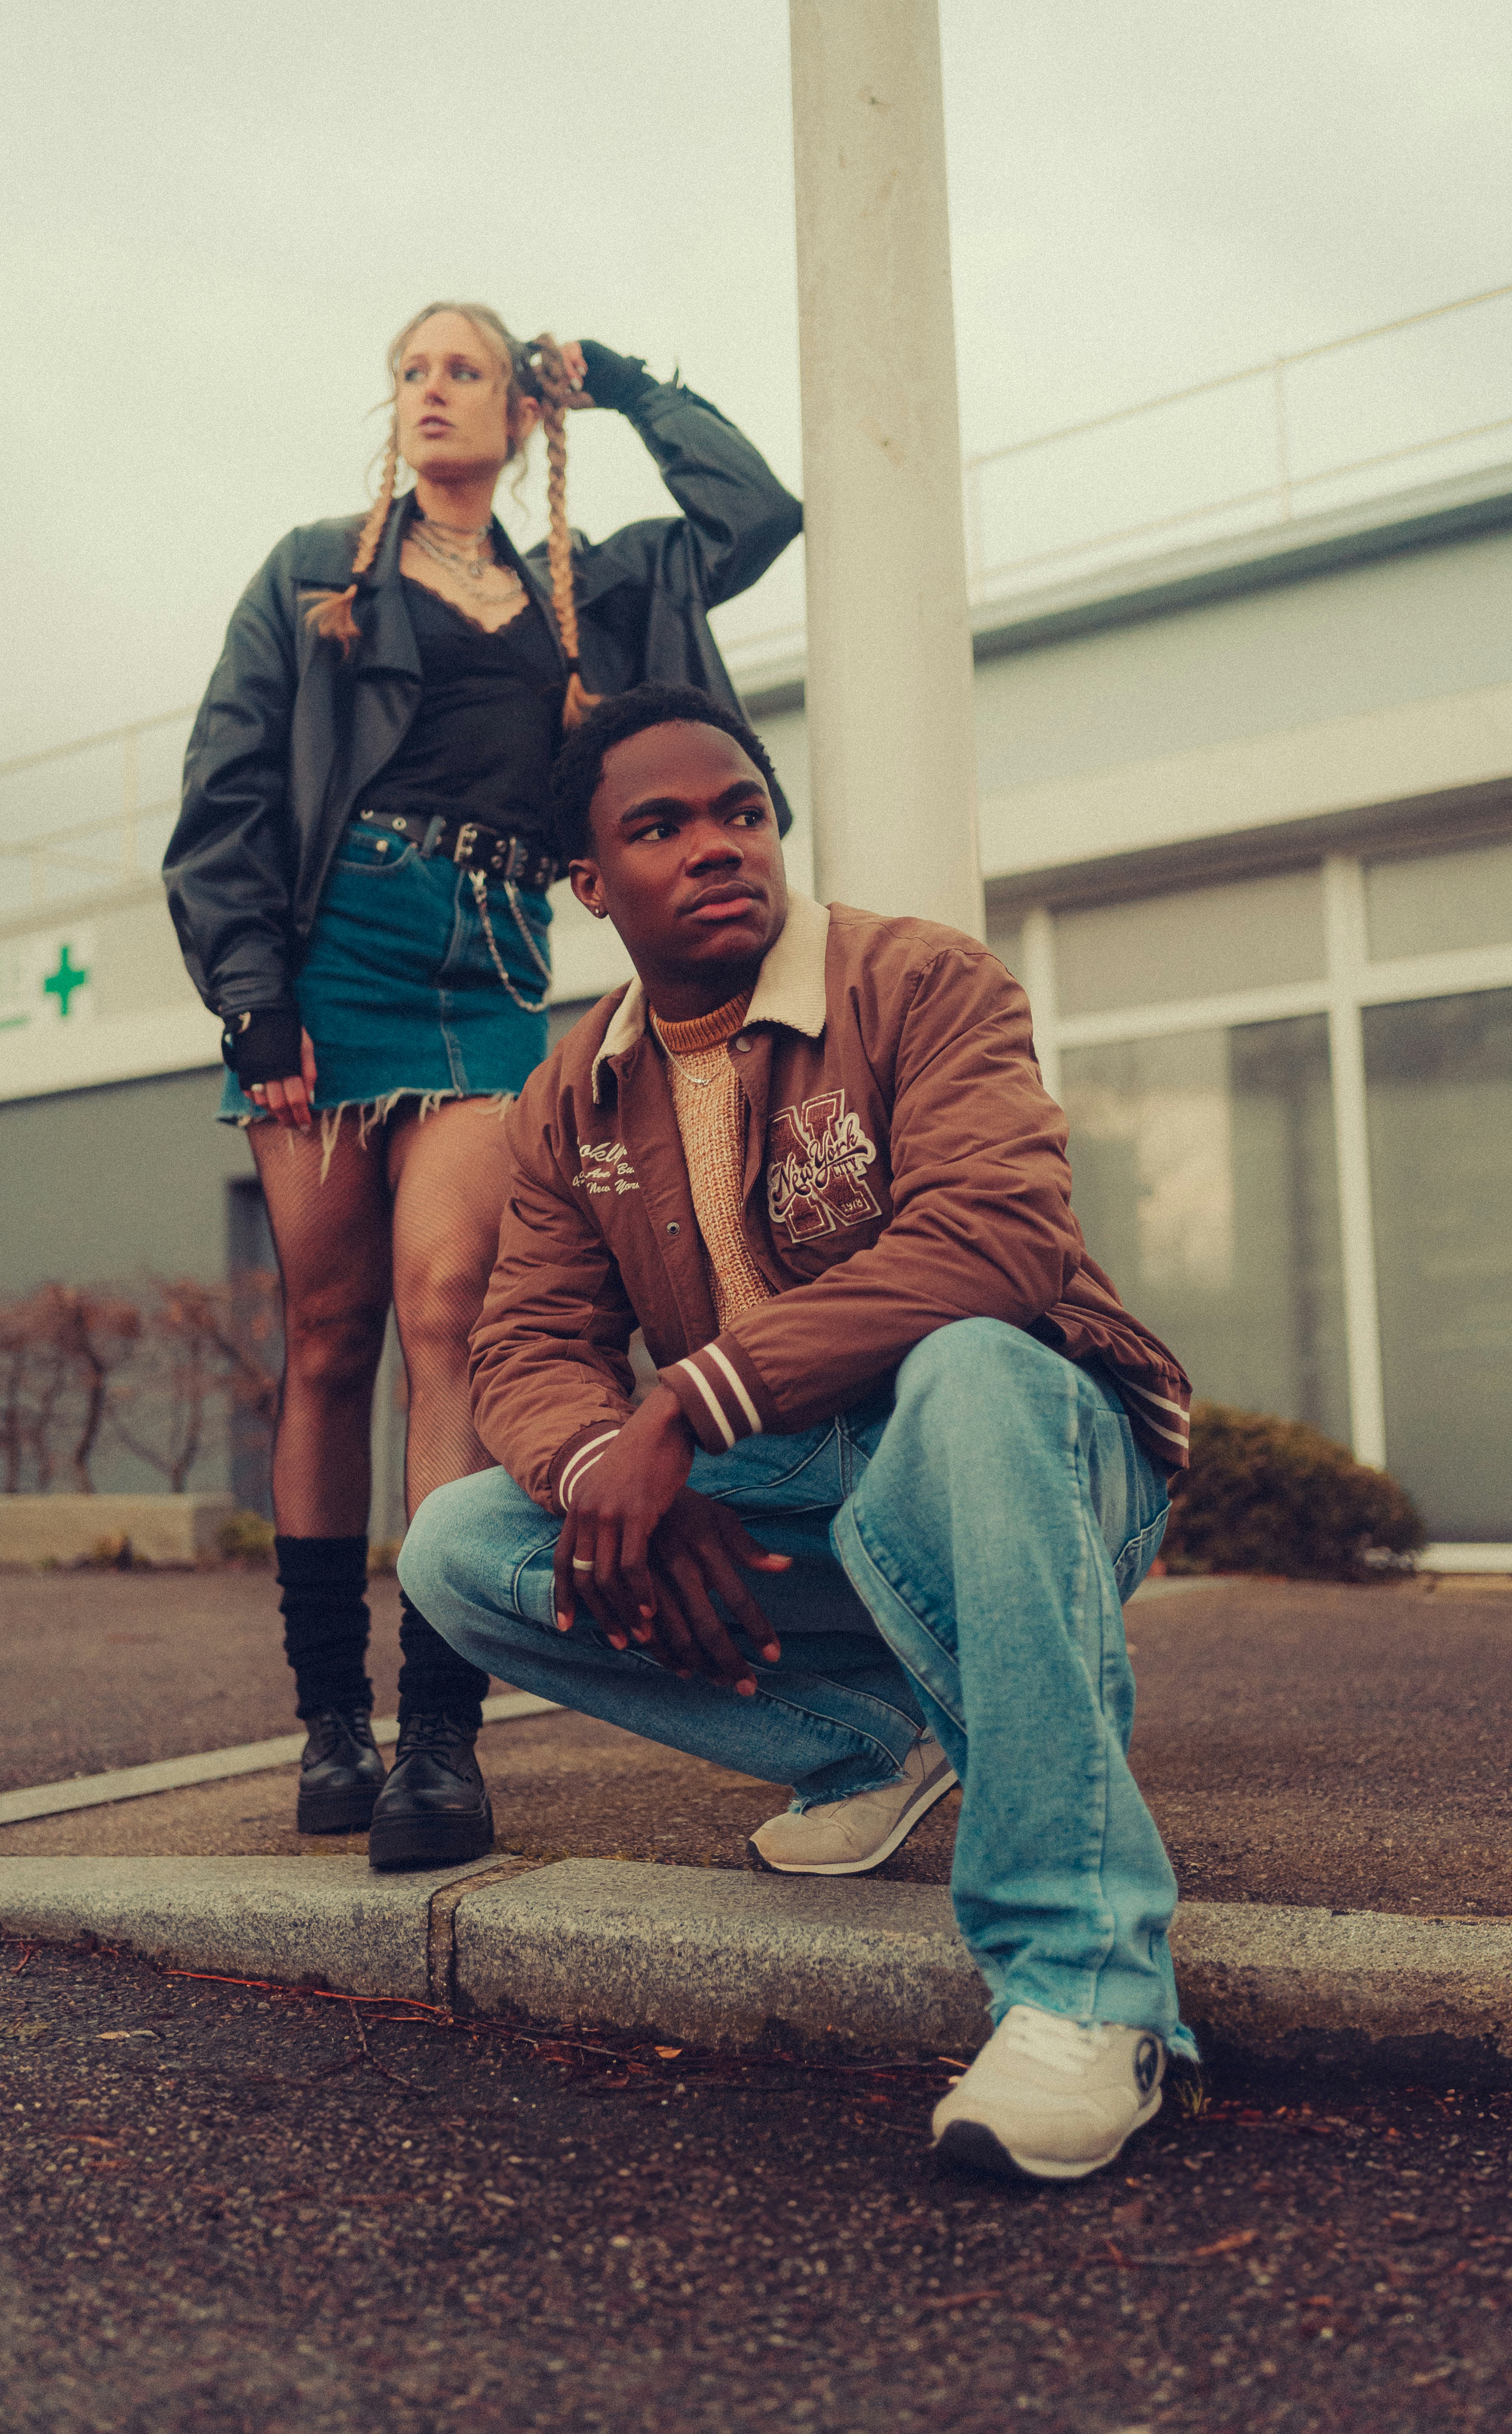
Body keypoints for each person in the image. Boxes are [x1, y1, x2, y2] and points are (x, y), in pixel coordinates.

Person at [398, 683, 1197, 2185]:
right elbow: (525, 1345)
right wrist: (602, 1473)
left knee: (963, 1365)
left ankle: (1089, 1988)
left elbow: (1000, 1239)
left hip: (1030, 1447)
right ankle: (871, 1744)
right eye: (663, 828)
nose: (718, 847)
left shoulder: (919, 982)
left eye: (743, 813)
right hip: (800, 1474)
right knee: (459, 1546)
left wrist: (690, 1408)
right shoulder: (571, 1093)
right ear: (592, 886)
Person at [164, 312, 800, 1873]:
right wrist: (250, 998)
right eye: (413, 371)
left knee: (455, 1303)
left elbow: (756, 513)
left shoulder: (591, 590)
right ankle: (332, 1723)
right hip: (338, 955)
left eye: (466, 369)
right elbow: (232, 783)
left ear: (519, 410)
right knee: (329, 1336)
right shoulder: (319, 570)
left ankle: (438, 1735)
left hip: (494, 971)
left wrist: (635, 381)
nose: (434, 390)